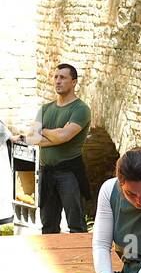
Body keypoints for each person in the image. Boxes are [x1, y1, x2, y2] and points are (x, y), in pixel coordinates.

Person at [22, 64, 91, 233]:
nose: (58, 81)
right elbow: (31, 138)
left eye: (63, 77)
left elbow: (63, 136)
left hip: (69, 173)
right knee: (48, 225)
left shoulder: (81, 109)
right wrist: (56, 135)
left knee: (76, 224)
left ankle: (79, 259)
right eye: (56, 77)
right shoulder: (45, 109)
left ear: (74, 82)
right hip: (46, 173)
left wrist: (42, 131)